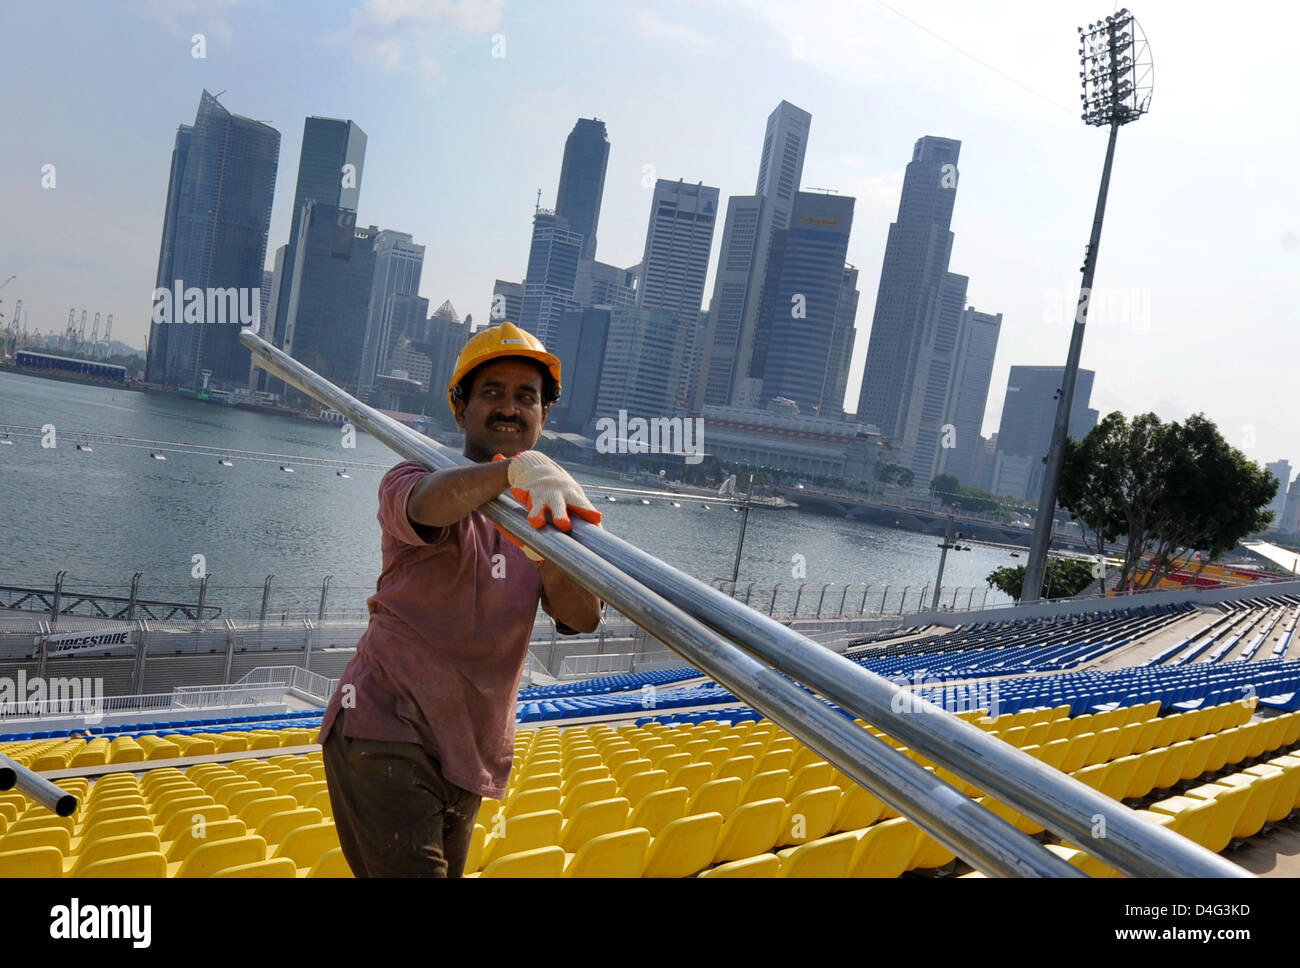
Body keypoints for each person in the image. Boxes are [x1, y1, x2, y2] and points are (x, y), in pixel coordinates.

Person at [317, 322, 603, 877]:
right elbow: (427, 504)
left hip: (467, 758)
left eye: (527, 397)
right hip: (385, 730)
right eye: (491, 392)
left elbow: (583, 616)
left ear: (544, 417)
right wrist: (508, 474)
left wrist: (550, 548)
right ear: (460, 409)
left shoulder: (544, 509)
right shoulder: (416, 475)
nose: (509, 408)